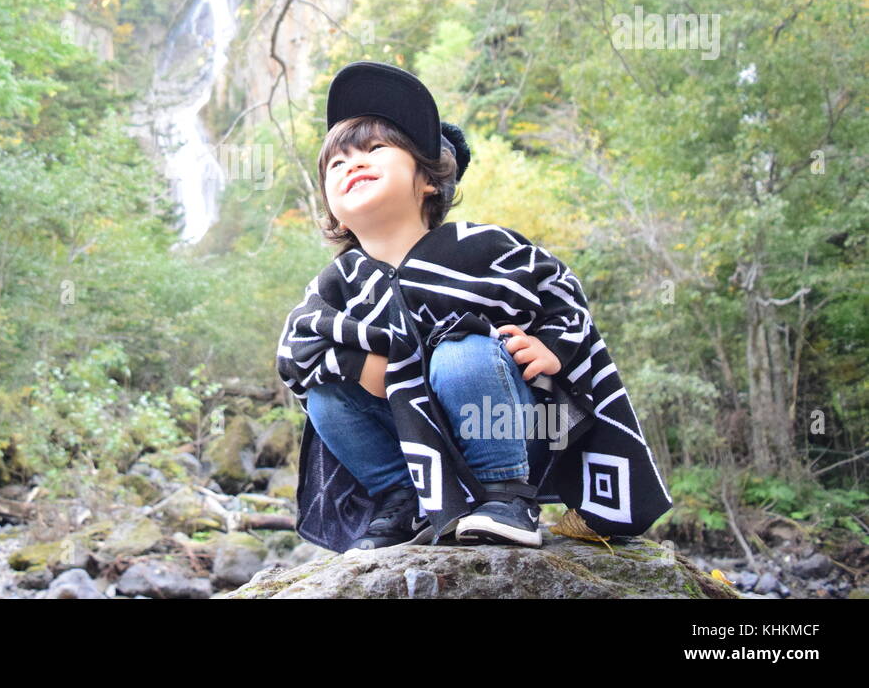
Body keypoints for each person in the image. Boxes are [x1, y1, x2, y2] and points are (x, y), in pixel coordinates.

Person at [275, 60, 672, 553]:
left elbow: (560, 289)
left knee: (460, 351)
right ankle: (402, 501)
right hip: (403, 434)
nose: (352, 162)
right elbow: (296, 350)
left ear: (428, 180)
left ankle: (506, 497)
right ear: (332, 207)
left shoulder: (480, 247)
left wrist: (551, 346)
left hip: (508, 422)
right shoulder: (340, 282)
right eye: (337, 163)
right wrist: (359, 363)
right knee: (326, 394)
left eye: (375, 149)